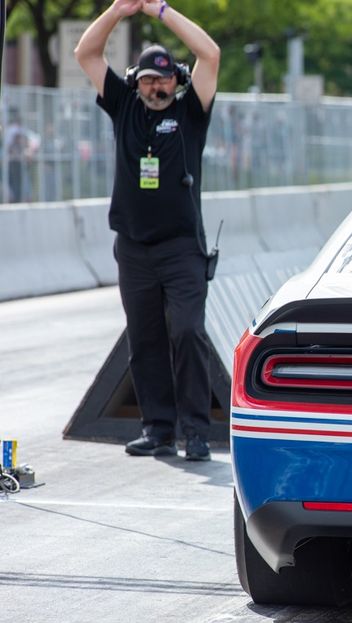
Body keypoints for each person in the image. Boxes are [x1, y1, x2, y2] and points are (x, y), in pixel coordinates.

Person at [75, 0, 220, 461]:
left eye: (164, 79)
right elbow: (86, 53)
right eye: (147, 80)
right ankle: (157, 428)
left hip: (182, 249)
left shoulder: (192, 112)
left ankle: (195, 431)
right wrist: (118, 11)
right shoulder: (124, 107)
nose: (156, 87)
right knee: (145, 338)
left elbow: (211, 53)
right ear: (136, 83)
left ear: (177, 80)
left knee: (188, 333)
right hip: (134, 248)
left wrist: (160, 10)